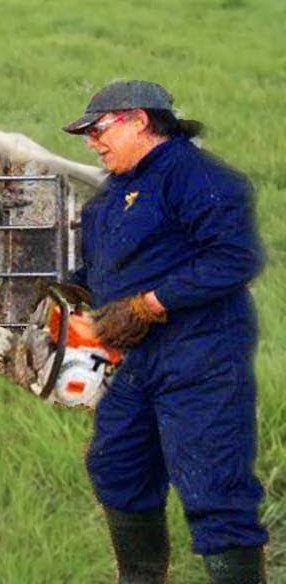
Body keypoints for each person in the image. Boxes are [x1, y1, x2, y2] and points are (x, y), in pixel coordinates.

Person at [57, 80, 268, 583]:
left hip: (200, 357)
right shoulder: (109, 198)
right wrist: (68, 295)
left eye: (98, 130)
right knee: (116, 466)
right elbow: (101, 270)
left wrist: (150, 304)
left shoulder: (197, 176)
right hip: (132, 362)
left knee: (214, 488)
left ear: (139, 120)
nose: (92, 143)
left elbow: (235, 257)